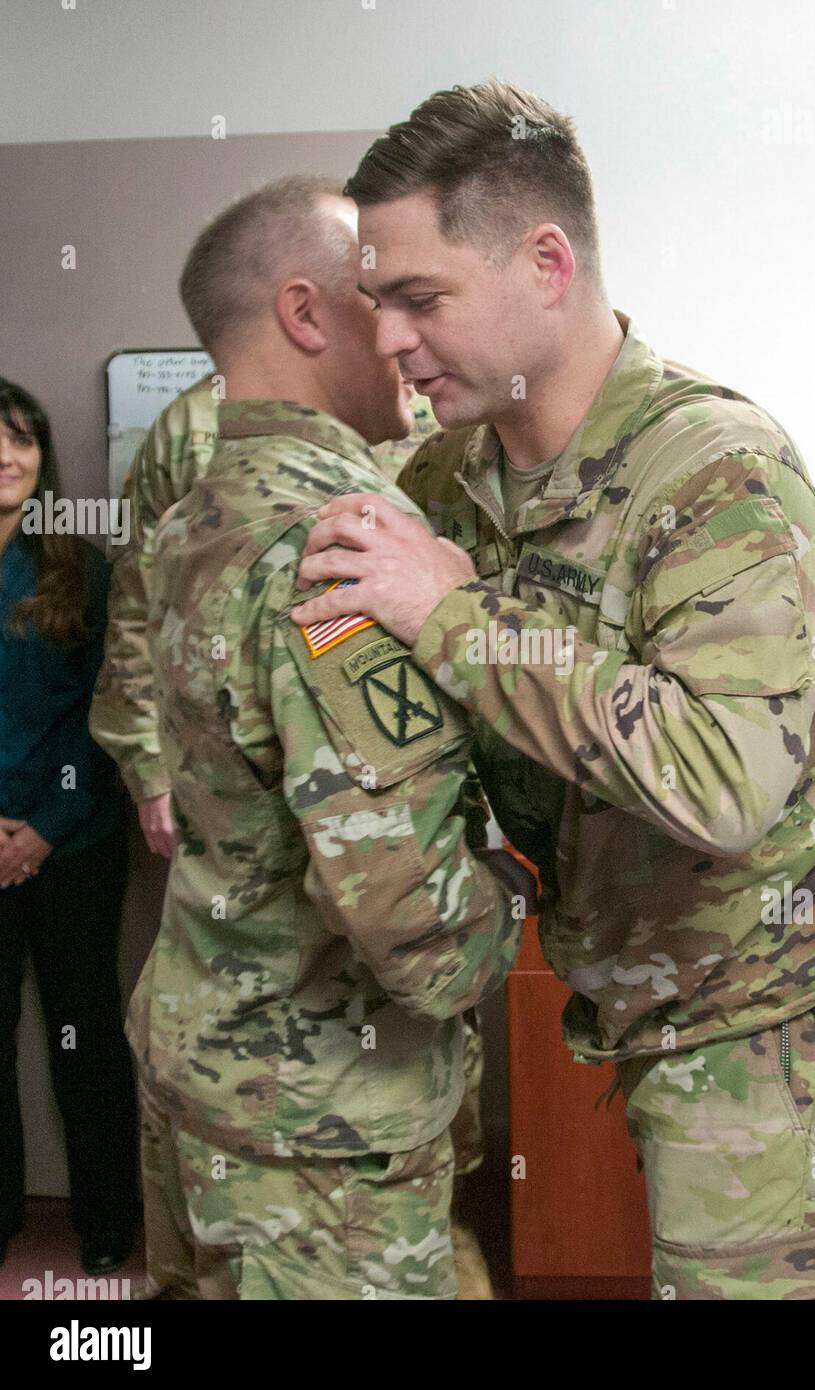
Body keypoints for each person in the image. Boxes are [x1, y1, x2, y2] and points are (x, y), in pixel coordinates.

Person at [290, 79, 815, 1300]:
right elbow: (406, 695)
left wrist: (452, 616)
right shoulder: (449, 480)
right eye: (374, 303)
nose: (389, 339)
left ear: (545, 262)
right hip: (648, 1000)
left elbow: (720, 784)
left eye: (419, 298)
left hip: (781, 1014)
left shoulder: (718, 473)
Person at [115, 176, 525, 1300]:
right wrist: (522, 895)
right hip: (322, 1132)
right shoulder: (338, 553)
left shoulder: (195, 516)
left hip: (209, 1069)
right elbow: (417, 927)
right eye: (377, 297)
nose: (406, 334)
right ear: (305, 315)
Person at [0, 378, 138, 1274]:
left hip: (74, 839)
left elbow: (111, 710)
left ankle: (105, 1221)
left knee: (81, 1031)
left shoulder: (79, 564)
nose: (8, 457)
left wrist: (42, 825)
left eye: (23, 440)